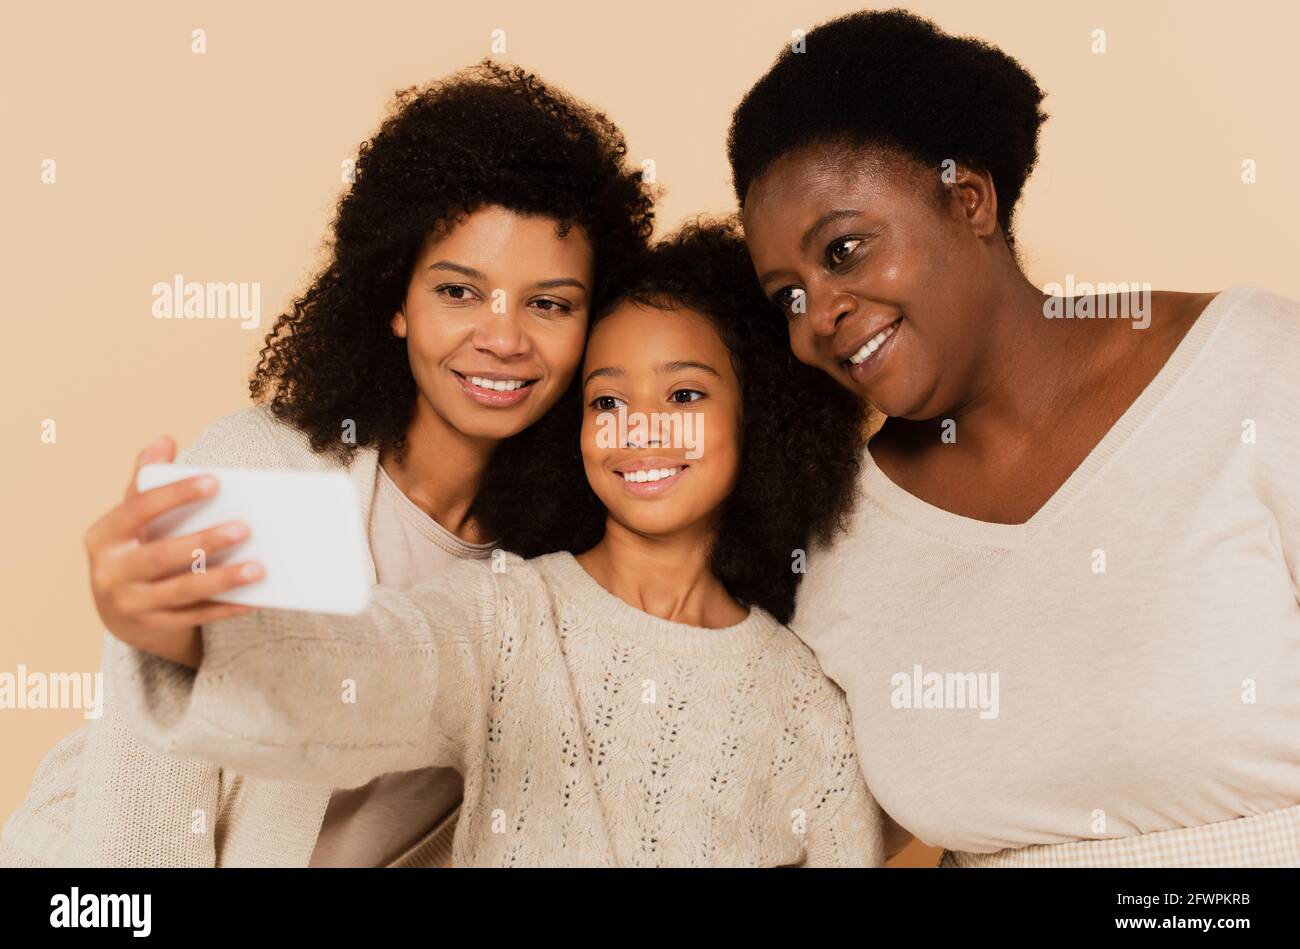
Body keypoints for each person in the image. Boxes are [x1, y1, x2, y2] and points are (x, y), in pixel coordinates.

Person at [1, 60, 654, 868]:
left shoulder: (567, 559)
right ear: (394, 299)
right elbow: (141, 809)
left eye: (549, 303)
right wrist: (163, 631)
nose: (504, 336)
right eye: (457, 291)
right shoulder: (261, 471)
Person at [104, 220, 896, 866]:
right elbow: (363, 665)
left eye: (684, 394)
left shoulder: (806, 706)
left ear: (758, 415)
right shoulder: (507, 615)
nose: (642, 428)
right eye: (607, 399)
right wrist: (186, 629)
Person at [729, 8, 1300, 865]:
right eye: (787, 296)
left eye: (843, 250)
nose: (819, 317)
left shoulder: (1251, 368)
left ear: (970, 199)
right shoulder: (835, 532)